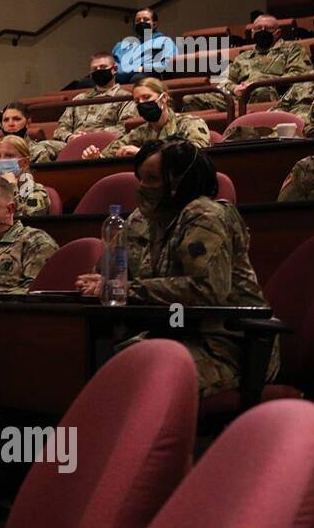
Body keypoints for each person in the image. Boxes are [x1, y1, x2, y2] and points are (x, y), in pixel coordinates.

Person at [76, 141, 278, 398]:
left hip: (226, 344)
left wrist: (130, 289)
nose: (142, 187)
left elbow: (206, 290)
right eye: (140, 178)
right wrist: (99, 282)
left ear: (180, 182)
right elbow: (109, 273)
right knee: (84, 363)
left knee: (134, 378)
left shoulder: (205, 215)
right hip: (168, 333)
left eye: (152, 179)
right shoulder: (141, 219)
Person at [81, 78, 211, 159]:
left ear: (164, 98)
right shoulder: (139, 132)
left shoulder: (190, 124)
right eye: (137, 101)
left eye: (147, 97)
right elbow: (109, 155)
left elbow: (197, 155)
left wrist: (146, 154)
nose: (142, 103)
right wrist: (96, 157)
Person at [218, 13, 311, 106]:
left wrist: (259, 81)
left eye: (268, 29)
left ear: (277, 33)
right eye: (258, 28)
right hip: (240, 99)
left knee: (261, 91)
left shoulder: (292, 49)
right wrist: (235, 88)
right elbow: (224, 80)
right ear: (252, 32)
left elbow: (299, 73)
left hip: (277, 95)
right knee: (204, 96)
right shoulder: (243, 56)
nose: (262, 31)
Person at [53, 54, 137, 141]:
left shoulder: (125, 98)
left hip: (105, 143)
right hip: (74, 142)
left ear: (114, 69)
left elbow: (124, 127)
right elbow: (61, 128)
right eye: (94, 69)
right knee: (41, 147)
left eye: (103, 67)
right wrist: (70, 137)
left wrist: (91, 136)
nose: (98, 71)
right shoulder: (79, 99)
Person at [0, 101, 63, 167]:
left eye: (17, 119)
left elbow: (38, 185)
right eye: (6, 120)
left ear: (28, 123)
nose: (11, 124)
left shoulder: (38, 152)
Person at [111, 7, 177, 83]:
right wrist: (137, 69)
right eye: (138, 20)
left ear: (154, 24)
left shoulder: (165, 42)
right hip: (121, 77)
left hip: (147, 76)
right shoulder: (121, 45)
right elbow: (113, 66)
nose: (141, 22)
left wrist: (144, 68)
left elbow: (169, 64)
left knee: (138, 79)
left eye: (146, 20)